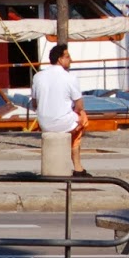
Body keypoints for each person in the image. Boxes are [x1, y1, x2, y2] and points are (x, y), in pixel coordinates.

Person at [30, 42, 91, 176]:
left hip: (44, 123)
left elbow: (34, 104)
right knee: (82, 118)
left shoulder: (37, 76)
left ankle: (75, 165)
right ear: (60, 59)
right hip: (63, 122)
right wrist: (75, 112)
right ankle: (78, 167)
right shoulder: (70, 78)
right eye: (68, 57)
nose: (71, 60)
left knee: (73, 118)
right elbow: (79, 105)